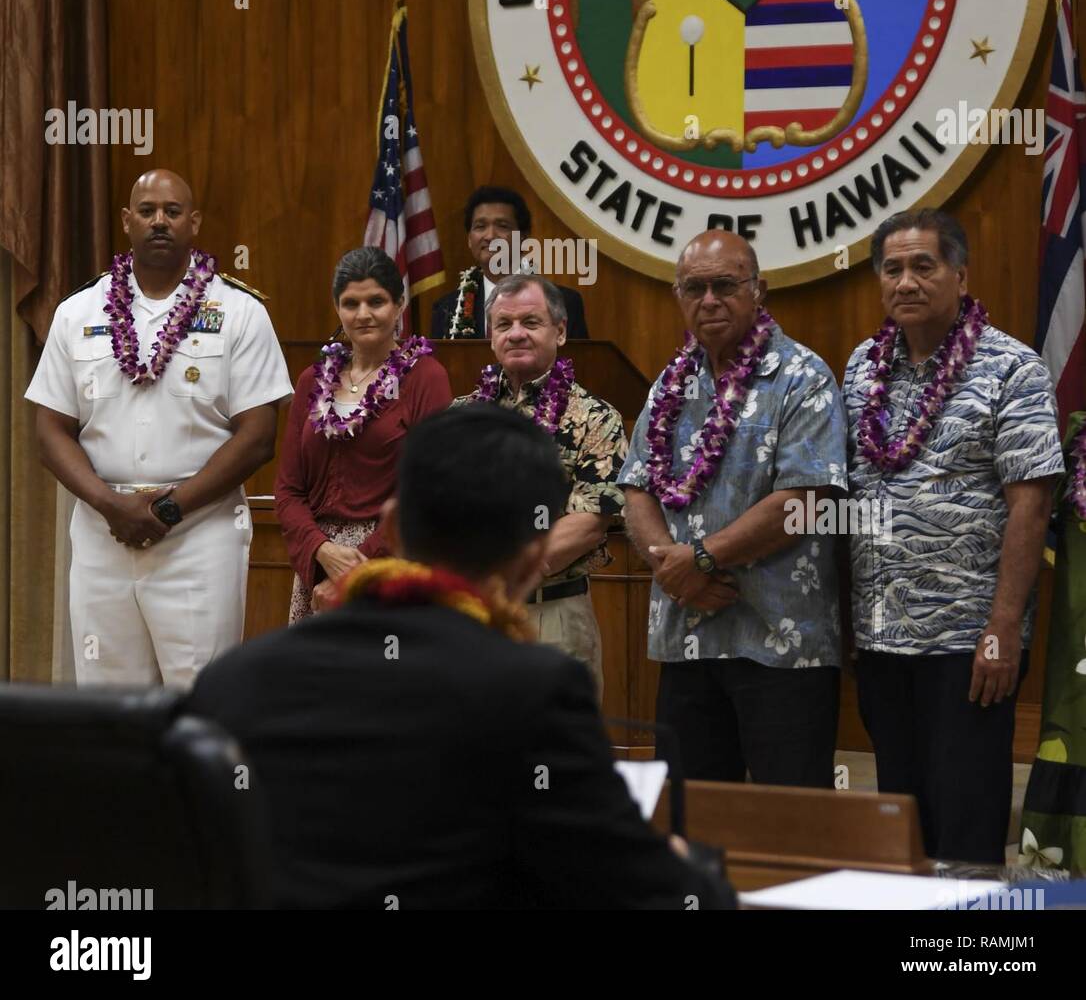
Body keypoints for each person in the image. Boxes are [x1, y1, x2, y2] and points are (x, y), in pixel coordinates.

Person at [185, 404, 734, 909]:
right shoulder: (532, 691)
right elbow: (642, 893)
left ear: (392, 527)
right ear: (532, 561)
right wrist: (695, 870)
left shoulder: (233, 679)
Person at [843, 209, 1064, 865]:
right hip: (881, 636)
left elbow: (1030, 503)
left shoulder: (1010, 369)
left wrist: (1003, 626)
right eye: (892, 268)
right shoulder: (861, 368)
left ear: (960, 276)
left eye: (924, 265)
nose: (906, 281)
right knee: (902, 823)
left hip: (969, 642)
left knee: (965, 819)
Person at [25, 169, 292, 688]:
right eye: (147, 211)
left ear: (193, 222)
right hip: (104, 534)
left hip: (199, 535)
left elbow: (258, 435)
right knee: (109, 701)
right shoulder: (77, 312)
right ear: (127, 222)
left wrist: (169, 510)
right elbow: (50, 430)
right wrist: (110, 506)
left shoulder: (239, 311)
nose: (160, 221)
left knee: (200, 697)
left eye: (172, 211)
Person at [619, 230, 848, 788]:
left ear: (758, 291)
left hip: (781, 643)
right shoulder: (671, 383)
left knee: (789, 823)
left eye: (725, 285)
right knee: (690, 812)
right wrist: (672, 570)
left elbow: (807, 500)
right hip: (687, 634)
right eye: (694, 288)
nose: (709, 300)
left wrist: (696, 560)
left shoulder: (803, 376)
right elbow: (636, 489)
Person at [452, 275, 625, 694]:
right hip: (468, 616)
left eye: (531, 322)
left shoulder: (597, 419)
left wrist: (501, 571)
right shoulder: (457, 418)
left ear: (560, 331)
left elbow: (589, 523)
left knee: (555, 754)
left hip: (554, 615)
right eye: (504, 324)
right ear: (490, 335)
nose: (516, 334)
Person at [276, 245, 452, 621]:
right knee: (319, 678)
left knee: (385, 676)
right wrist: (322, 552)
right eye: (351, 303)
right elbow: (288, 490)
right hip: (317, 565)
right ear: (337, 307)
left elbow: (430, 492)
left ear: (399, 304)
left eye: (377, 301)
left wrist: (358, 568)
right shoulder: (312, 380)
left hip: (392, 562)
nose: (364, 314)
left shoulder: (425, 378)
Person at [429, 185, 589, 338]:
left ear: (524, 237)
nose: (490, 236)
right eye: (480, 226)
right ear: (470, 240)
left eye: (503, 226)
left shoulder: (565, 303)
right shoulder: (447, 309)